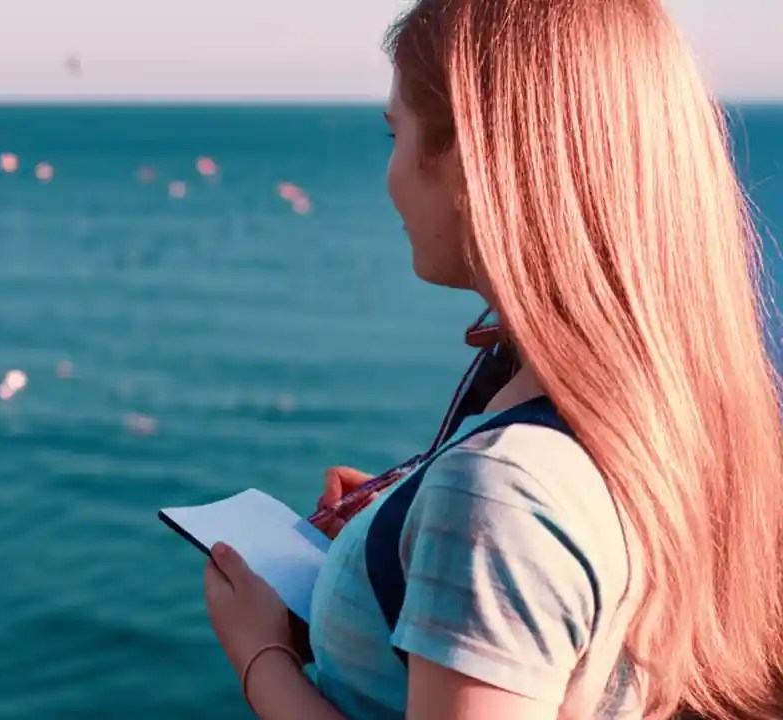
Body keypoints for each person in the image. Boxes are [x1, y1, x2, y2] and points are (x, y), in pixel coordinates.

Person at [200, 0, 783, 718]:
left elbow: (512, 519)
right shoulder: (673, 413)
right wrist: (391, 538)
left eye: (395, 133)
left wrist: (262, 656)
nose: (388, 177)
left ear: (474, 161)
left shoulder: (501, 492)